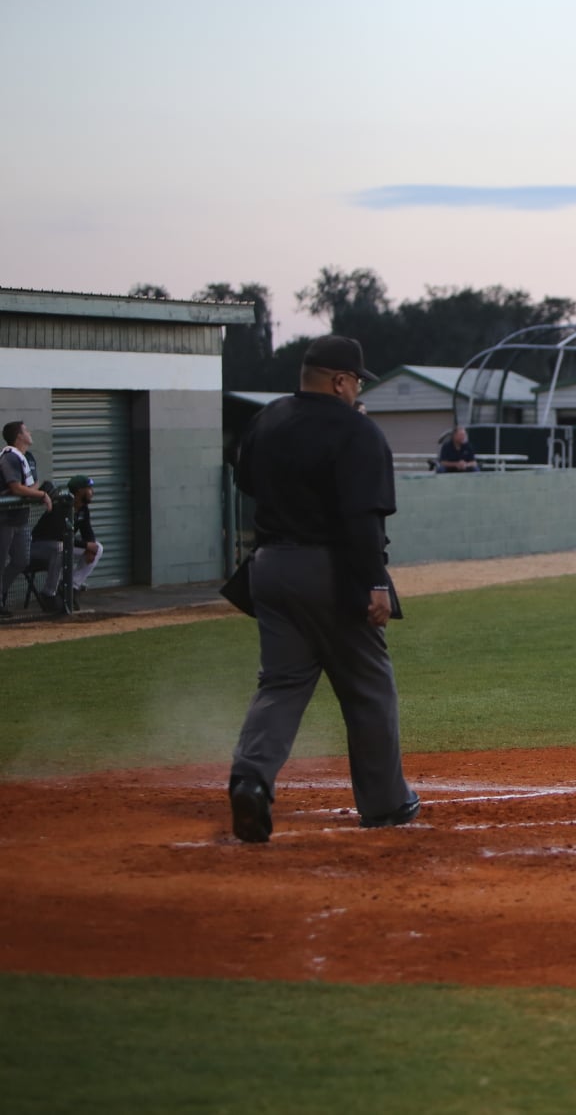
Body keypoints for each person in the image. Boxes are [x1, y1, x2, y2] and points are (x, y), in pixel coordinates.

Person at [227, 335, 419, 843]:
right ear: (339, 381)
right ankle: (385, 804)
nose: (357, 389)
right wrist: (374, 582)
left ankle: (250, 779)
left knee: (282, 684)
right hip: (330, 572)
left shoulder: (266, 419)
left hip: (268, 568)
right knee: (368, 688)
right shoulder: (356, 431)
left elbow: (245, 481)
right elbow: (362, 518)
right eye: (356, 380)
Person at [1, 421, 53, 618]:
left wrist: (32, 492)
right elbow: (15, 487)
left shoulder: (27, 457)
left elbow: (33, 483)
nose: (30, 433)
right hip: (4, 519)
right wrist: (39, 495)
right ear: (18, 436)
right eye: (26, 430)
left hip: (20, 518)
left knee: (22, 560)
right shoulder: (9, 458)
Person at [31, 474, 101, 607]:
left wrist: (90, 547)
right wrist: (86, 545)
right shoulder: (61, 507)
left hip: (60, 546)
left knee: (98, 548)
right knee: (60, 548)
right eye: (89, 489)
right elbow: (61, 535)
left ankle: (71, 586)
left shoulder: (83, 509)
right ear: (80, 491)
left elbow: (88, 531)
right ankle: (48, 593)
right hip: (37, 548)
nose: (92, 492)